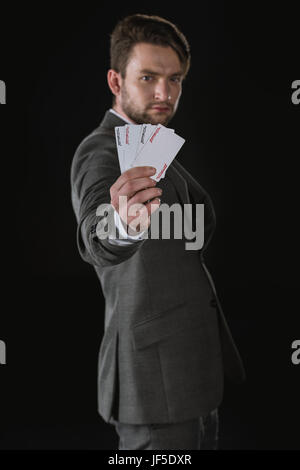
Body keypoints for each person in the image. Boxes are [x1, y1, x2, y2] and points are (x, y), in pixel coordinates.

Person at [70, 13, 245, 450]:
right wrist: (124, 224)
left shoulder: (153, 140)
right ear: (116, 81)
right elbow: (97, 231)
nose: (164, 92)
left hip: (191, 374)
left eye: (175, 79)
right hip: (151, 383)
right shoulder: (101, 151)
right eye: (148, 77)